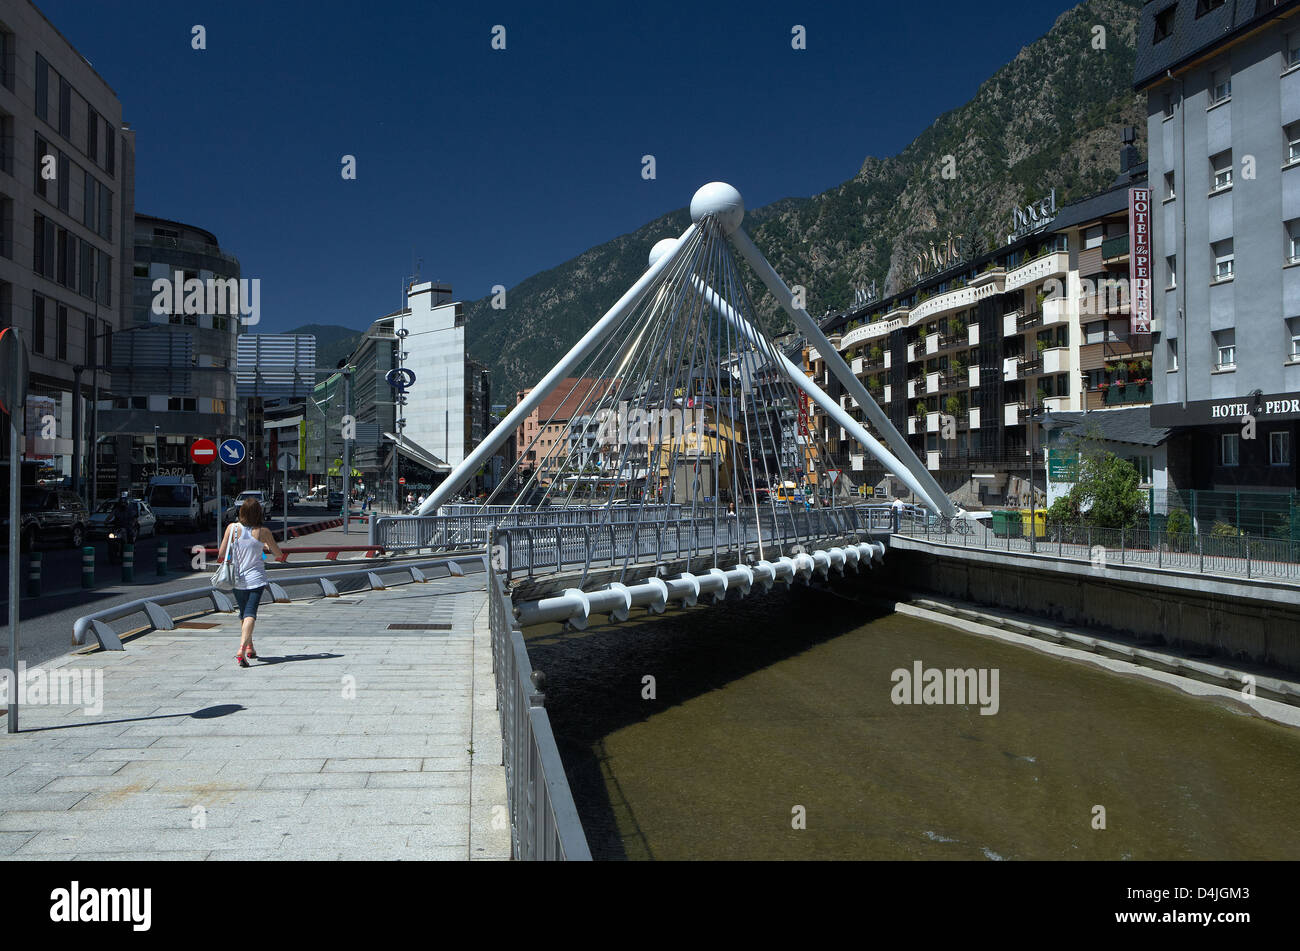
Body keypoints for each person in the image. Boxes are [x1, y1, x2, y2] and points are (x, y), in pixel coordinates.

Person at [216, 498, 284, 668]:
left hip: (236, 579)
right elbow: (278, 554)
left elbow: (221, 553)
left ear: (241, 512)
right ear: (259, 513)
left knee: (243, 614)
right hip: (256, 579)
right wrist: (264, 547)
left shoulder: (232, 529)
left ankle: (250, 647)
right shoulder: (263, 532)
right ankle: (241, 649)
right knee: (250, 613)